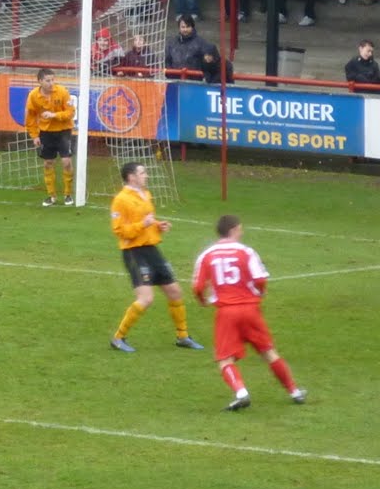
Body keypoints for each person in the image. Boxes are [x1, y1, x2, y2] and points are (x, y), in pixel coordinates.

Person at [191, 215, 307, 410]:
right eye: (240, 229)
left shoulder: (207, 255)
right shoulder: (246, 252)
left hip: (226, 312)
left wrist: (202, 300)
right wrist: (259, 293)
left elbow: (197, 287)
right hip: (250, 310)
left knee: (224, 358)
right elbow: (260, 279)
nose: (242, 232)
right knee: (268, 352)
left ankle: (241, 392)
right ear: (234, 230)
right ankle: (294, 391)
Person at [108, 161, 206, 353]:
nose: (147, 176)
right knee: (146, 298)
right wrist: (143, 225)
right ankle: (118, 338)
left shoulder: (146, 195)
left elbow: (148, 221)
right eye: (142, 173)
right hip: (134, 253)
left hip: (152, 250)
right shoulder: (121, 200)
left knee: (175, 292)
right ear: (131, 177)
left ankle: (183, 336)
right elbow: (119, 230)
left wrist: (157, 226)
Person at [25, 67, 77, 206]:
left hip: (64, 131)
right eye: (48, 80)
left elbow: (71, 112)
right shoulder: (33, 96)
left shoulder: (62, 92)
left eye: (53, 80)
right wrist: (34, 135)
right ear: (40, 81)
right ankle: (51, 196)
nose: (51, 83)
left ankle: (68, 194)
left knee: (66, 162)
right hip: (46, 133)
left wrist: (54, 115)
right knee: (48, 163)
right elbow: (30, 117)